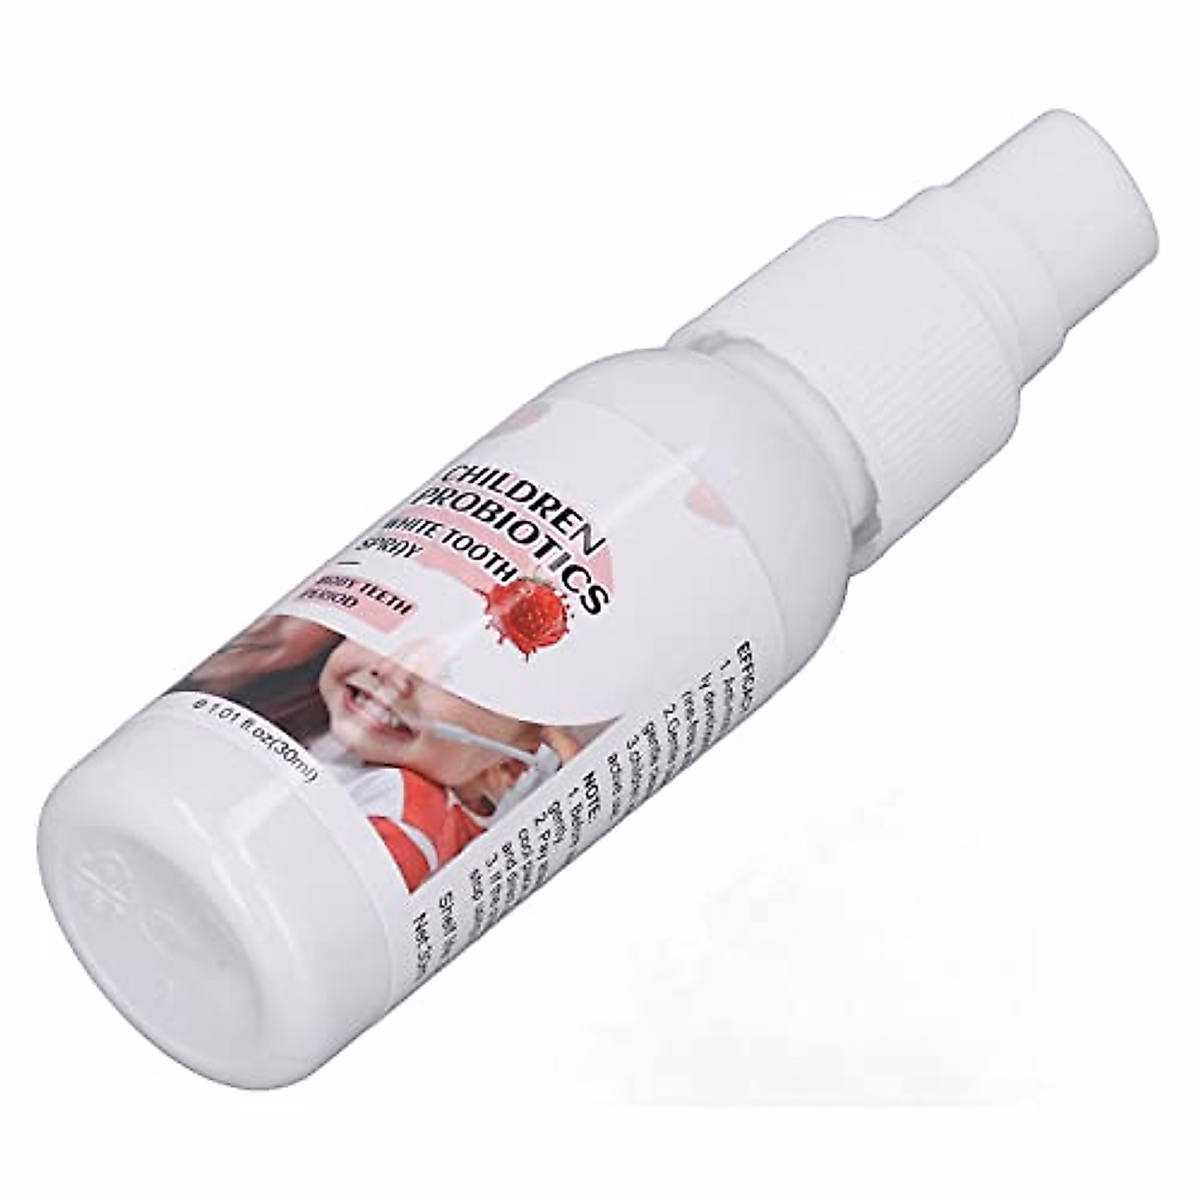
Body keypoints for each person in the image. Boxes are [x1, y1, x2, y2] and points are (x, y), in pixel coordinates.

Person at [313, 638, 579, 890]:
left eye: (455, 674)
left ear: (510, 765)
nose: (390, 673)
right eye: (394, 634)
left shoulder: (400, 810)